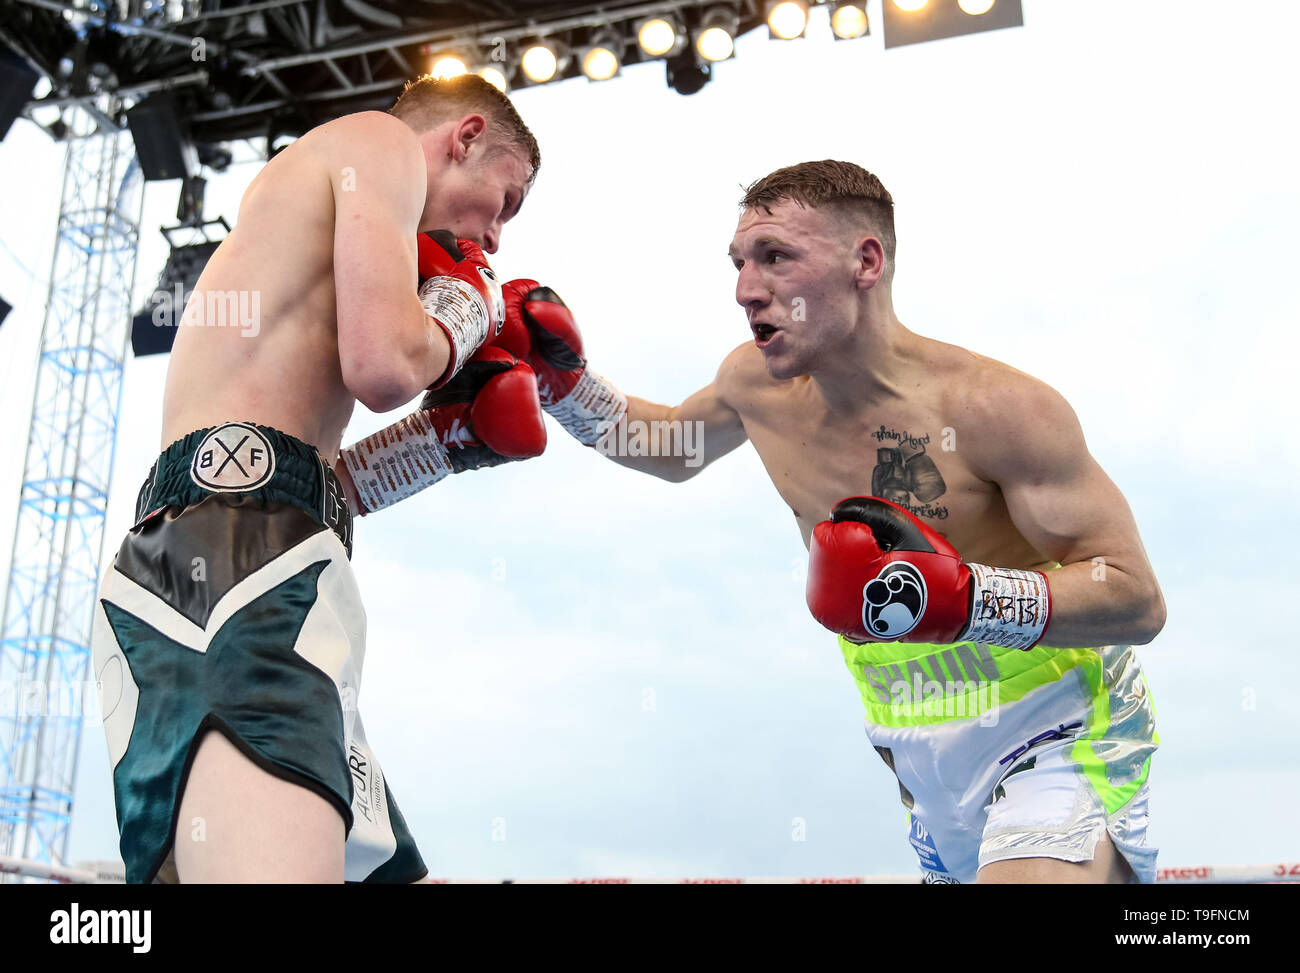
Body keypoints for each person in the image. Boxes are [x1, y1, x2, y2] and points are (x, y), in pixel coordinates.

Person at [488, 160, 1165, 883]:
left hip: (1057, 732)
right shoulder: (755, 385)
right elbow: (667, 446)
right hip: (917, 756)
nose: (747, 288)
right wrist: (563, 382)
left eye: (775, 257)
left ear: (865, 261)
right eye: (740, 263)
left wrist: (964, 596)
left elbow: (1136, 597)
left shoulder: (996, 408)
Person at [90, 74, 541, 883]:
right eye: (505, 200)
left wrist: (452, 440)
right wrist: (467, 307)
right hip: (237, 568)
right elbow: (384, 366)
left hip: (252, 554)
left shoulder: (312, 232)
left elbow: (327, 470)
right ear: (464, 136)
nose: (498, 237)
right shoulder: (381, 142)